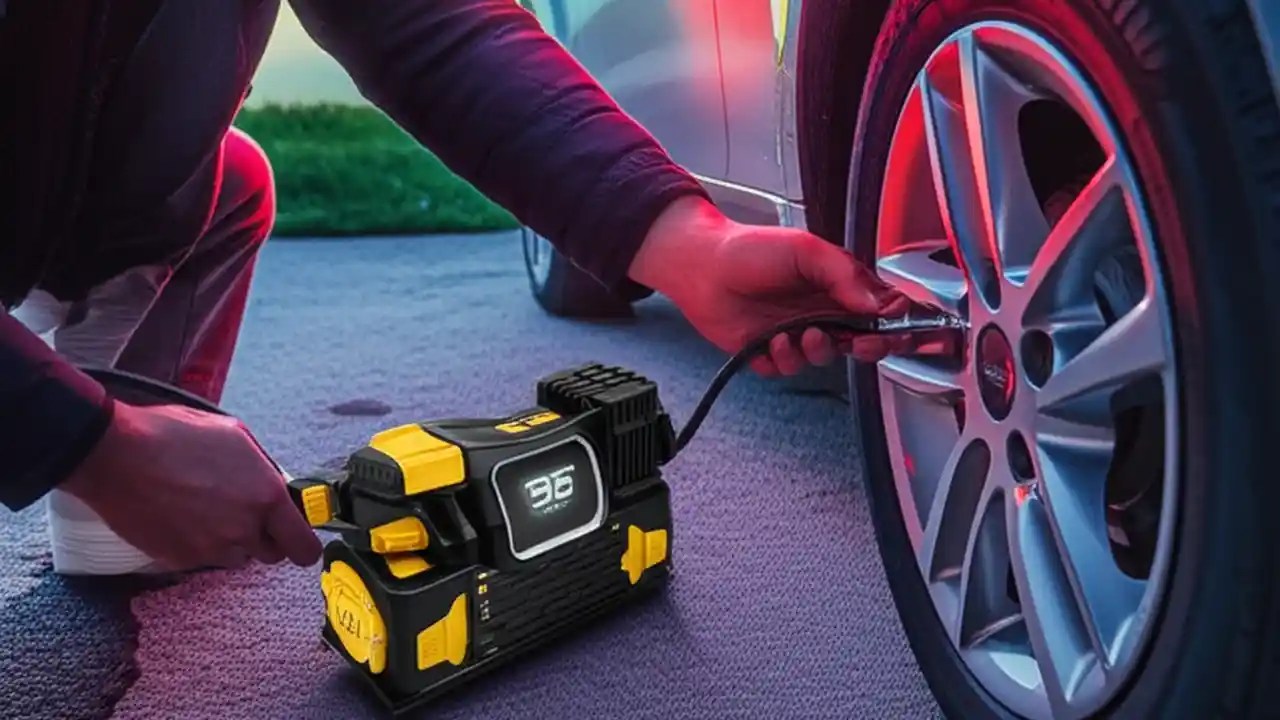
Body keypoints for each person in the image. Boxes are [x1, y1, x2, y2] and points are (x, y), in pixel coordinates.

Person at [0, 0, 917, 574]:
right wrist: (89, 443)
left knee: (233, 184)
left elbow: (426, 28)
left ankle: (95, 377)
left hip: (56, 178)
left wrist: (690, 245)